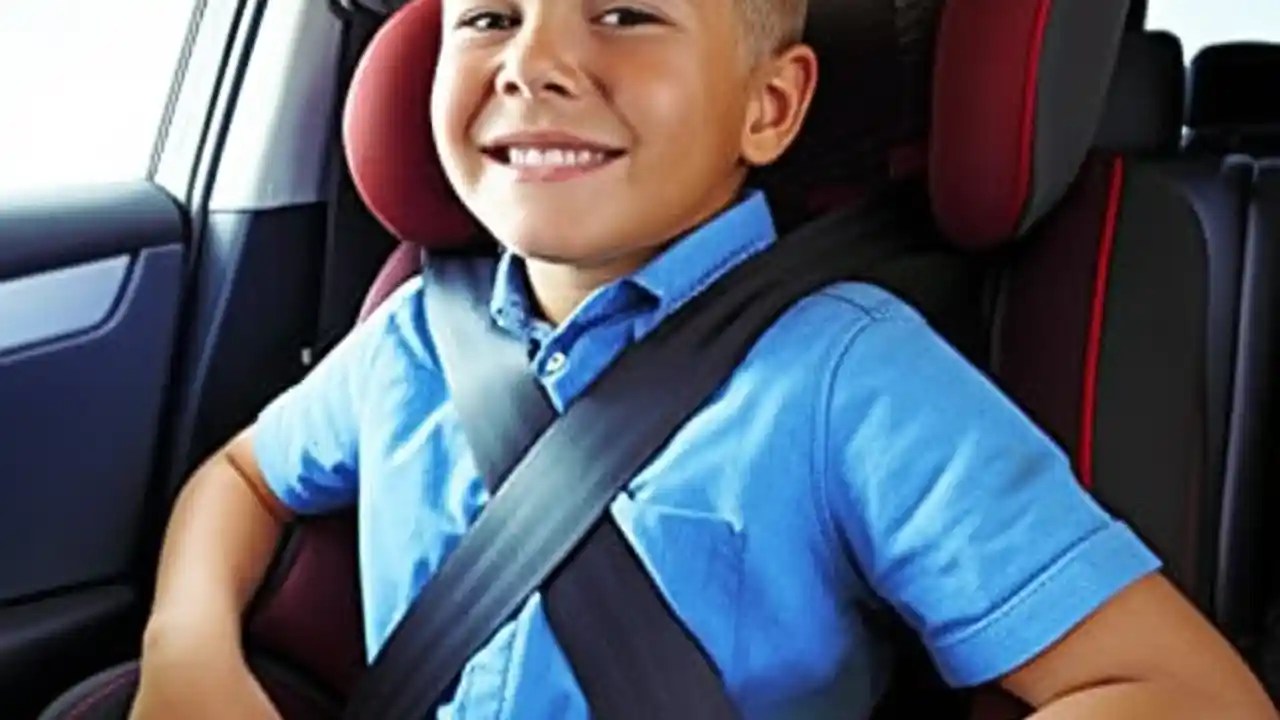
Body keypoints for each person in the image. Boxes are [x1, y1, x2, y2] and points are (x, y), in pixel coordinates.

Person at [130, 0, 1278, 718]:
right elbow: (242, 476)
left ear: (768, 106)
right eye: (486, 17)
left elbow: (1182, 694)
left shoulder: (846, 377)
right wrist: (188, 652)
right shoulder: (414, 340)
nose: (531, 63)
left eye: (623, 13)